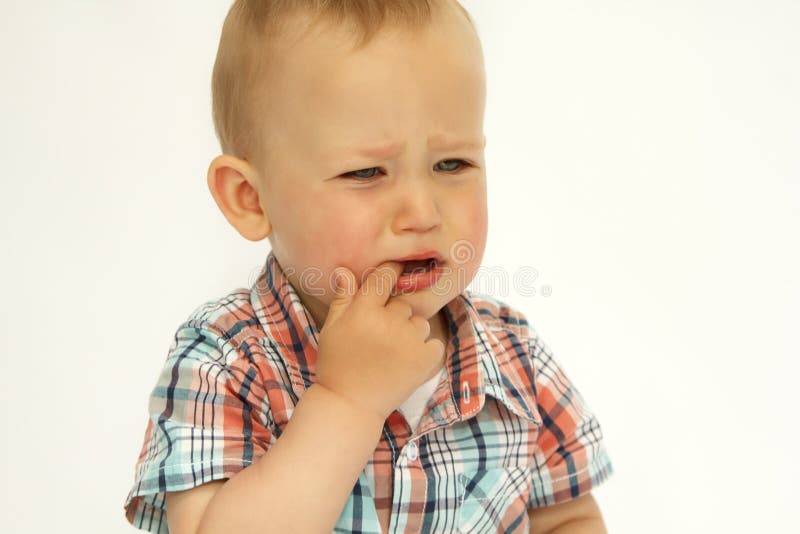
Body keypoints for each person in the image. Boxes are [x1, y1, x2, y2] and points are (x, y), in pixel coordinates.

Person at [123, 1, 614, 532]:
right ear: (251, 198)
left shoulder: (515, 356)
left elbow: (568, 517)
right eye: (366, 172)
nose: (423, 214)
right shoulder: (228, 362)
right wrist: (345, 400)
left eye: (453, 163)